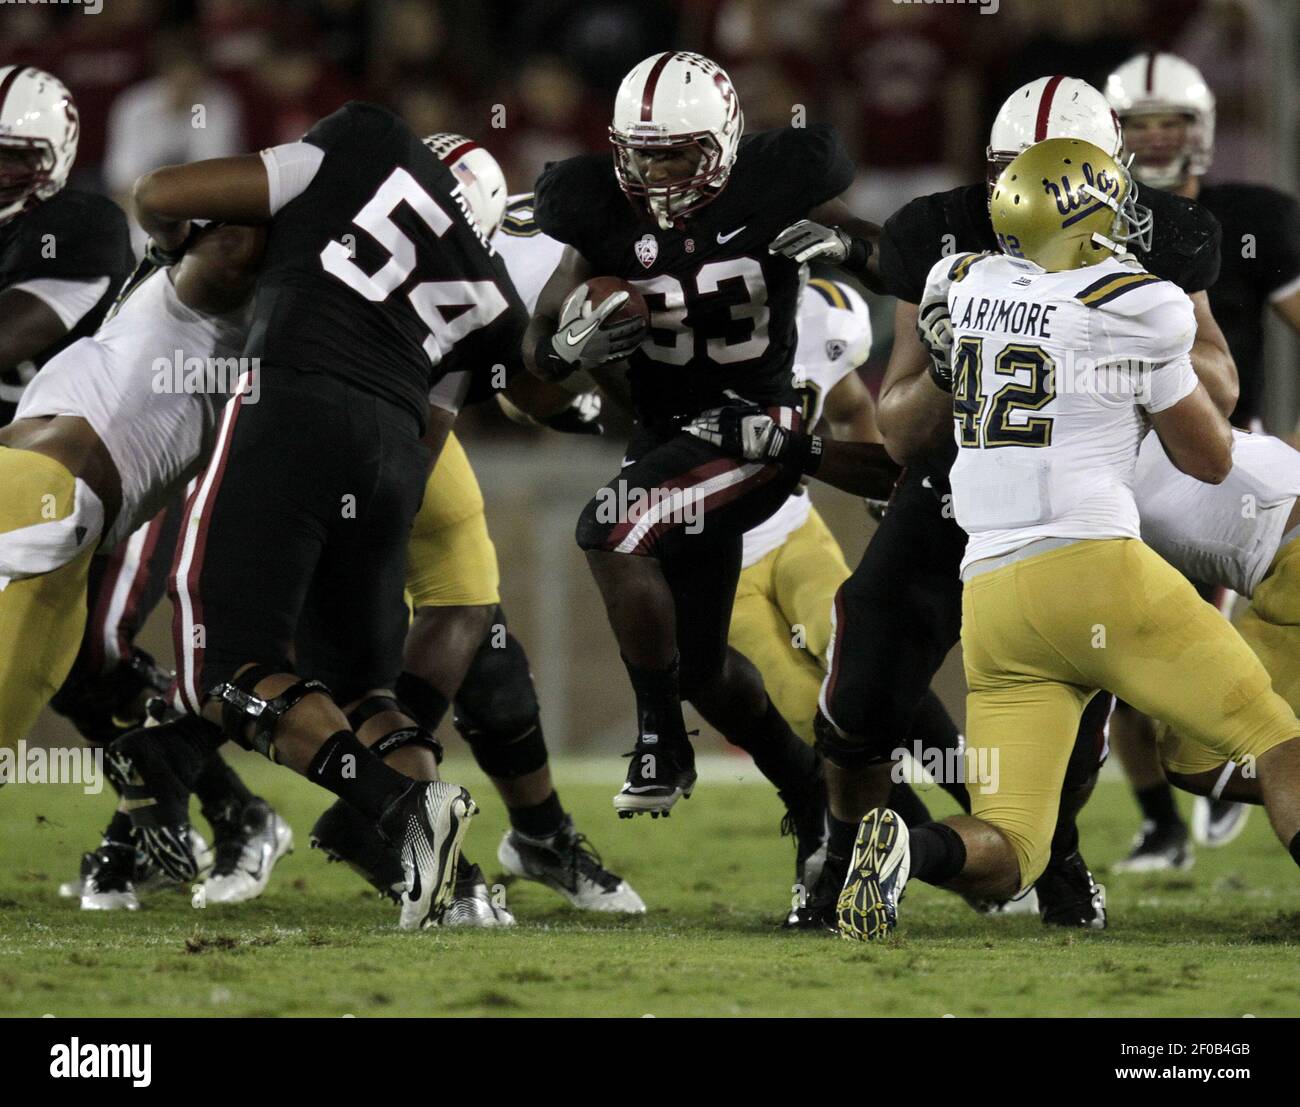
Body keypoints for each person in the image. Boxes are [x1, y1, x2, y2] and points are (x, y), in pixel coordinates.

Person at [776, 76, 1234, 931]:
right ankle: (844, 856)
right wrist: (953, 362)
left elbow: (1218, 388)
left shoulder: (1164, 239)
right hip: (952, 497)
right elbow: (901, 428)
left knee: (1072, 728)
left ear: (1112, 177)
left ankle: (1056, 853)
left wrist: (1133, 331)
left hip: (1075, 512)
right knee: (860, 696)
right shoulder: (941, 234)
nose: (1035, 192)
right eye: (1014, 169)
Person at [109, 101, 526, 930]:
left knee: (221, 665)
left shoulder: (369, 141)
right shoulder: (492, 295)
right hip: (392, 461)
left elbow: (158, 189)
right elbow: (435, 431)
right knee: (368, 690)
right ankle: (458, 883)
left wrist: (173, 255)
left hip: (293, 396)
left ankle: (409, 820)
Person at [525, 52, 879, 867]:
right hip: (669, 438)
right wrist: (571, 342)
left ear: (721, 143)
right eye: (638, 152)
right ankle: (806, 797)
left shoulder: (782, 177)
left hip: (756, 426)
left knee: (610, 526)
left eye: (673, 152)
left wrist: (847, 248)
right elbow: (537, 350)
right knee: (700, 664)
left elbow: (890, 255)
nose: (652, 171)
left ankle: (659, 742)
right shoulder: (593, 203)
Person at [1104, 51, 1300, 864]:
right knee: (1129, 670)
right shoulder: (1087, 238)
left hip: (1226, 466)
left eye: (1168, 122)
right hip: (1164, 475)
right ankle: (1161, 822)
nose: (1154, 139)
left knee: (1199, 720)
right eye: (1137, 125)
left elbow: (1210, 397)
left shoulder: (1247, 221)